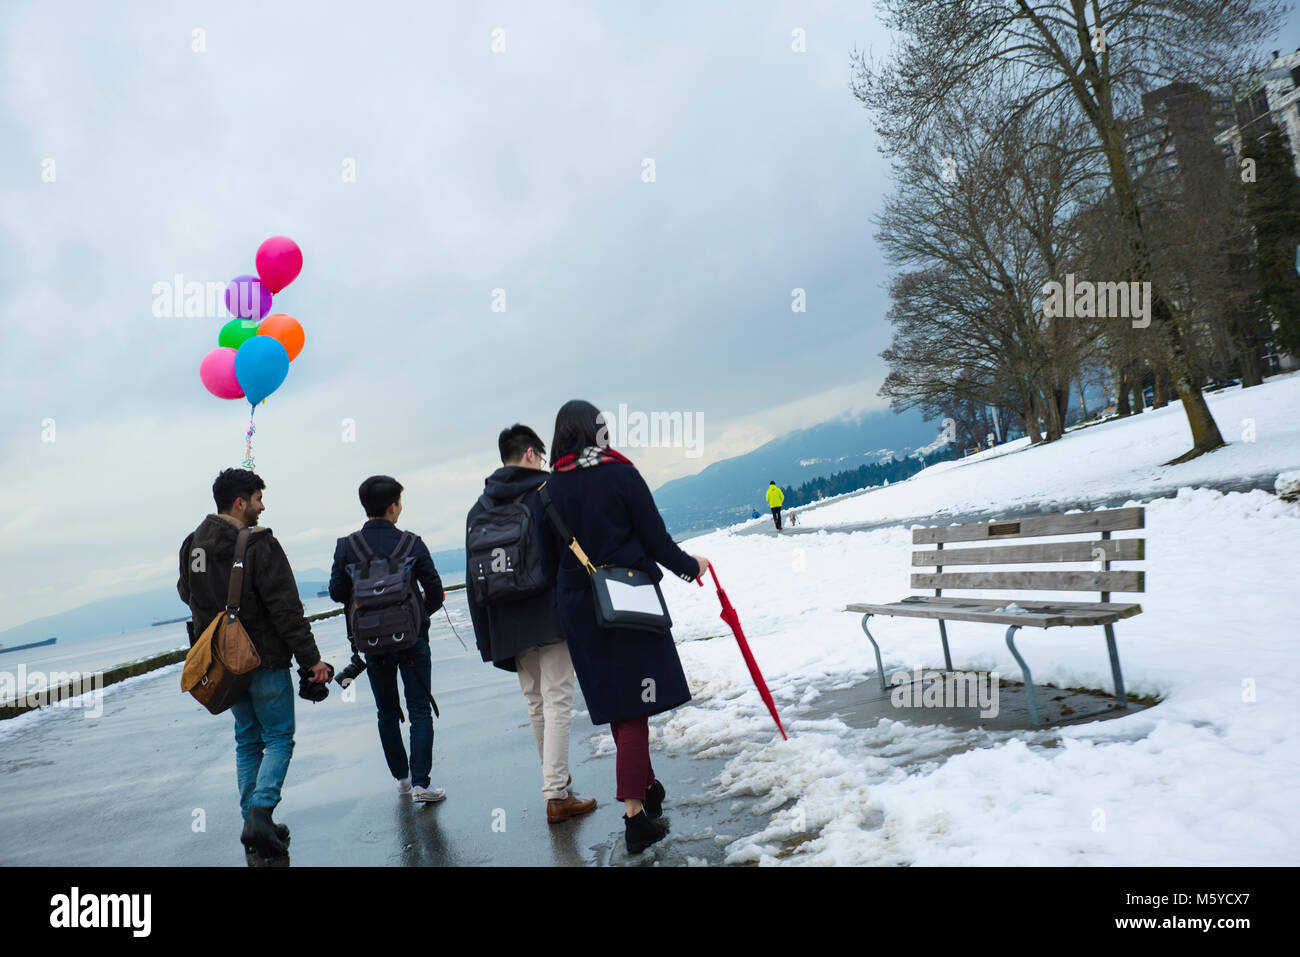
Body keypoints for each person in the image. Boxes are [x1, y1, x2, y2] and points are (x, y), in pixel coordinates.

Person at [543, 400, 709, 855]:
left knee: (621, 703)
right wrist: (689, 566)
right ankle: (635, 816)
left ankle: (648, 787)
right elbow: (655, 539)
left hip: (579, 606)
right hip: (628, 597)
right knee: (634, 706)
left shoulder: (548, 488)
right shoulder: (620, 473)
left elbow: (545, 560)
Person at [178, 468, 329, 859]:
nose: (263, 506)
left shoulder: (191, 545)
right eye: (259, 498)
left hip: (222, 665)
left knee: (247, 740)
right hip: (263, 657)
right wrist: (311, 660)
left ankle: (252, 822)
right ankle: (260, 813)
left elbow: (186, 593)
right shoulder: (259, 543)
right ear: (240, 503)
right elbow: (286, 608)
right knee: (278, 737)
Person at [465, 424, 597, 824]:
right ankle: (556, 793)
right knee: (558, 698)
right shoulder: (545, 491)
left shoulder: (479, 507)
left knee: (537, 701)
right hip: (550, 610)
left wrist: (486, 638)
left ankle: (558, 784)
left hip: (506, 619)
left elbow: (475, 581)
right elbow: (571, 553)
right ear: (529, 454)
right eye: (538, 455)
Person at [329, 475, 446, 803]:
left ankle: (402, 779)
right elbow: (435, 592)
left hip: (372, 644)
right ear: (393, 505)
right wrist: (417, 619)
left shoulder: (347, 546)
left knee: (386, 711)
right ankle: (423, 784)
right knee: (419, 708)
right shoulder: (412, 543)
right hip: (413, 641)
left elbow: (338, 592)